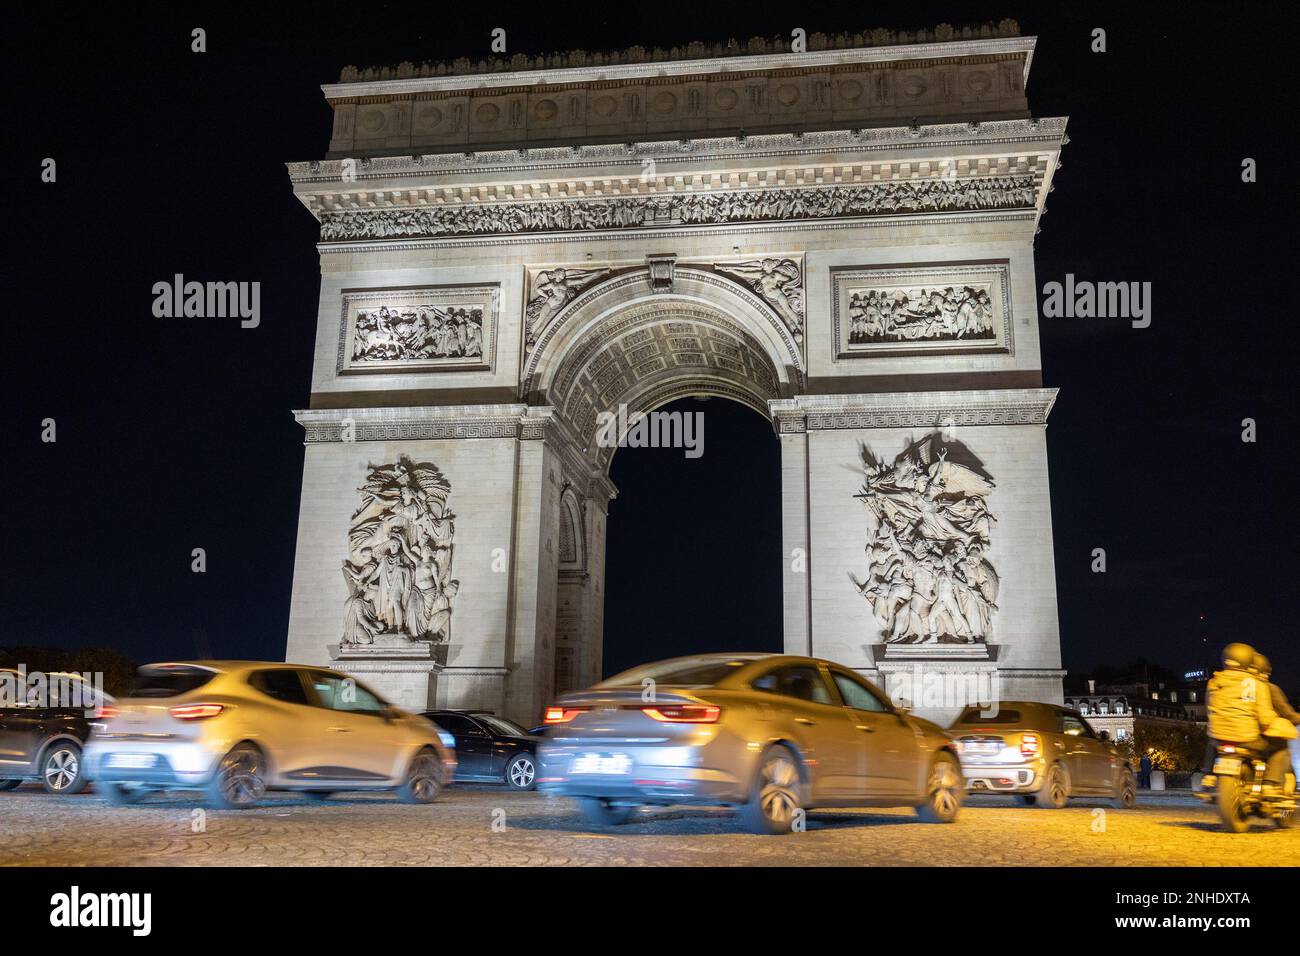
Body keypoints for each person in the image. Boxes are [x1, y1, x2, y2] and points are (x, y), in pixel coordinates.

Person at [1205, 642, 1295, 793]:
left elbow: (1210, 709)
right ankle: (1270, 783)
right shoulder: (1256, 684)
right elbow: (1265, 717)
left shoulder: (1214, 682)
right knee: (1281, 747)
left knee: (1211, 743)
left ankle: (1209, 775)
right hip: (1247, 737)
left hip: (1218, 737)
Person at [1256, 653, 1300, 791]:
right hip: (1260, 739)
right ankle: (1270, 782)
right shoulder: (1269, 688)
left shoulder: (1237, 687)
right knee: (1283, 748)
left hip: (1235, 735)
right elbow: (1287, 713)